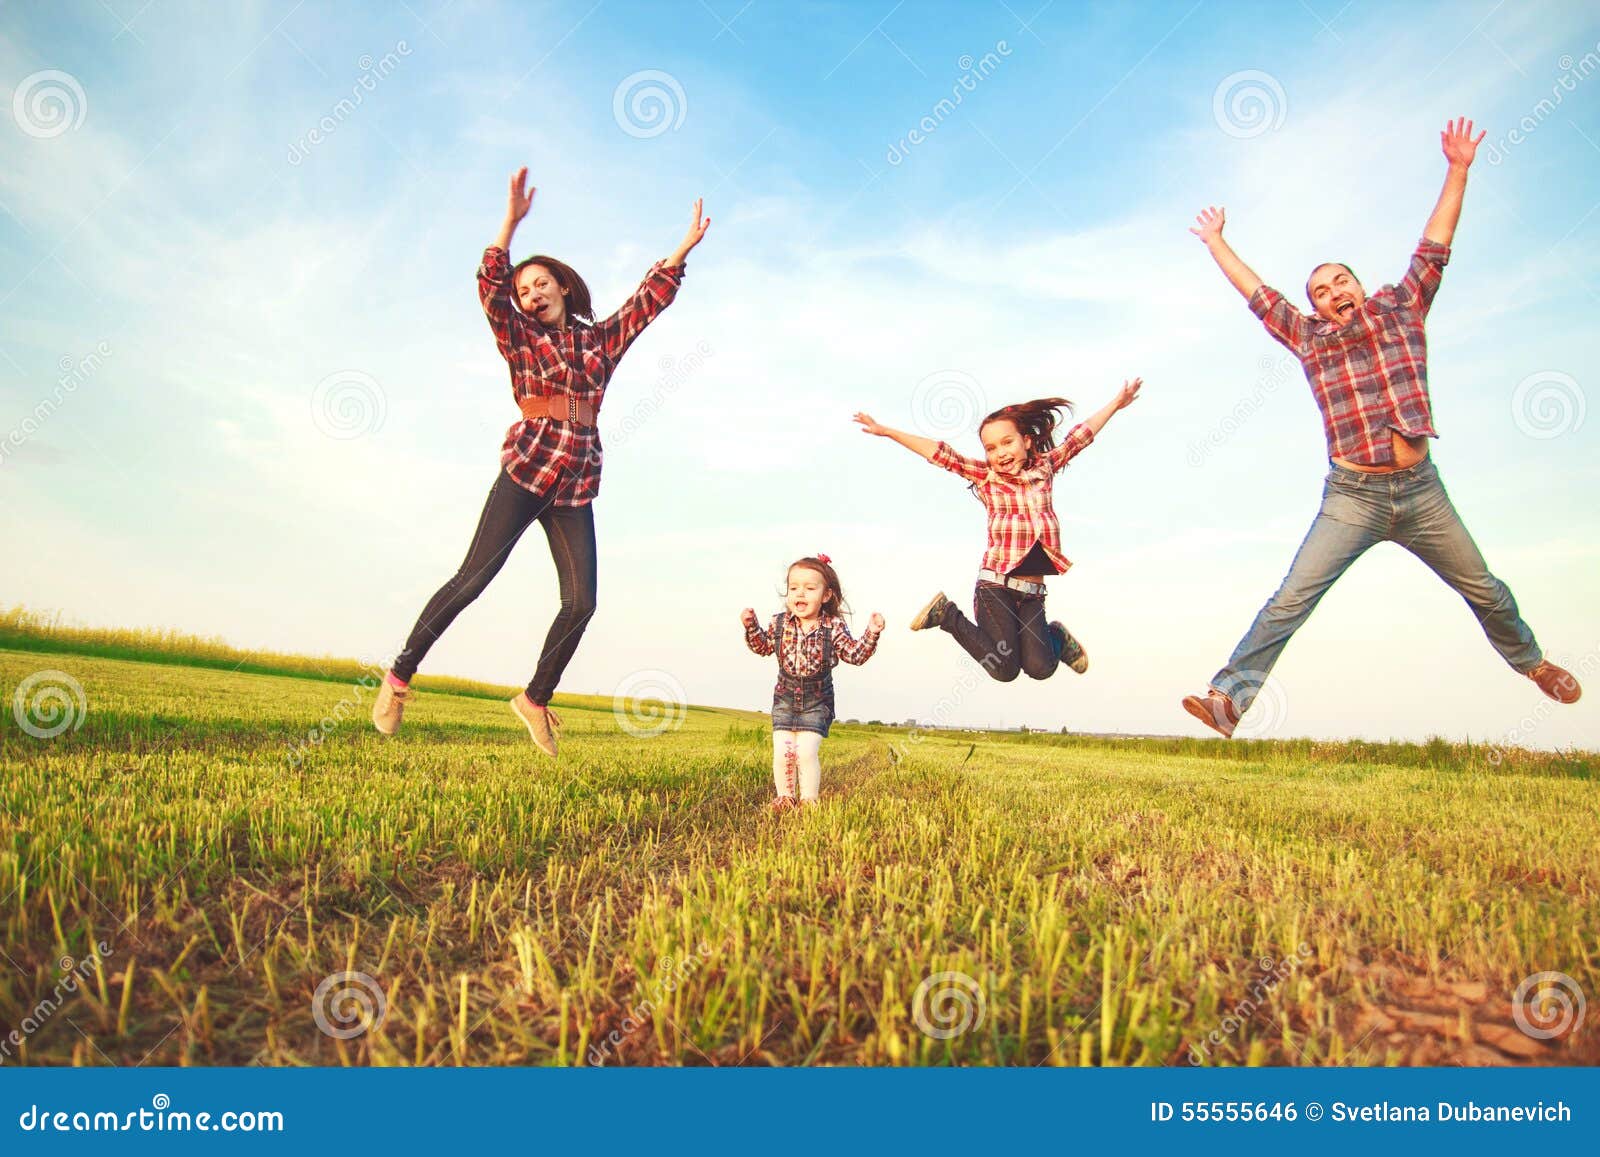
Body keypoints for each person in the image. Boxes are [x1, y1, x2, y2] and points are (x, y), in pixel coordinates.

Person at [1181, 118, 1580, 738]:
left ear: (1360, 286)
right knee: (1291, 600)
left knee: (1487, 590)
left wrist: (1459, 168)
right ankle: (1229, 699)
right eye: (1320, 290)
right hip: (1353, 497)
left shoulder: (1403, 308)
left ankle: (1531, 662)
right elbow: (1258, 294)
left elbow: (1435, 243)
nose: (1333, 291)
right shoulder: (1309, 338)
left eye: (1340, 280)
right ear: (1313, 306)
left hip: (1422, 492)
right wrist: (1215, 243)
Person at [373, 167, 711, 755]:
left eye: (540, 283)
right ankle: (399, 677)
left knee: (582, 602)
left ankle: (534, 699)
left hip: (575, 482)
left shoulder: (599, 341)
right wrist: (508, 225)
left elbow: (644, 304)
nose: (531, 294)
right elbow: (490, 288)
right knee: (472, 579)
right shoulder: (518, 337)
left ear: (562, 286)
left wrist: (681, 250)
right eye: (524, 288)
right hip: (528, 468)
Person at [853, 382, 1141, 681]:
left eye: (1007, 442)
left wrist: (1115, 404)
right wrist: (888, 431)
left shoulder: (1045, 467)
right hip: (996, 587)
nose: (1000, 453)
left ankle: (1056, 637)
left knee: (1040, 669)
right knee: (1005, 669)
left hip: (1032, 594)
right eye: (991, 448)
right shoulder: (988, 477)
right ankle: (947, 614)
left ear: (1026, 441)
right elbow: (941, 454)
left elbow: (1080, 436)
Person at [742, 555, 884, 810]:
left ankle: (809, 800)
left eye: (810, 588)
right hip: (785, 697)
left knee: (805, 751)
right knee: (784, 751)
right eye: (794, 587)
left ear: (826, 595)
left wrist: (872, 632)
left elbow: (855, 655)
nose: (801, 594)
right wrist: (751, 626)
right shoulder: (780, 623)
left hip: (817, 700)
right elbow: (762, 646)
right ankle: (785, 797)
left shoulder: (833, 626)